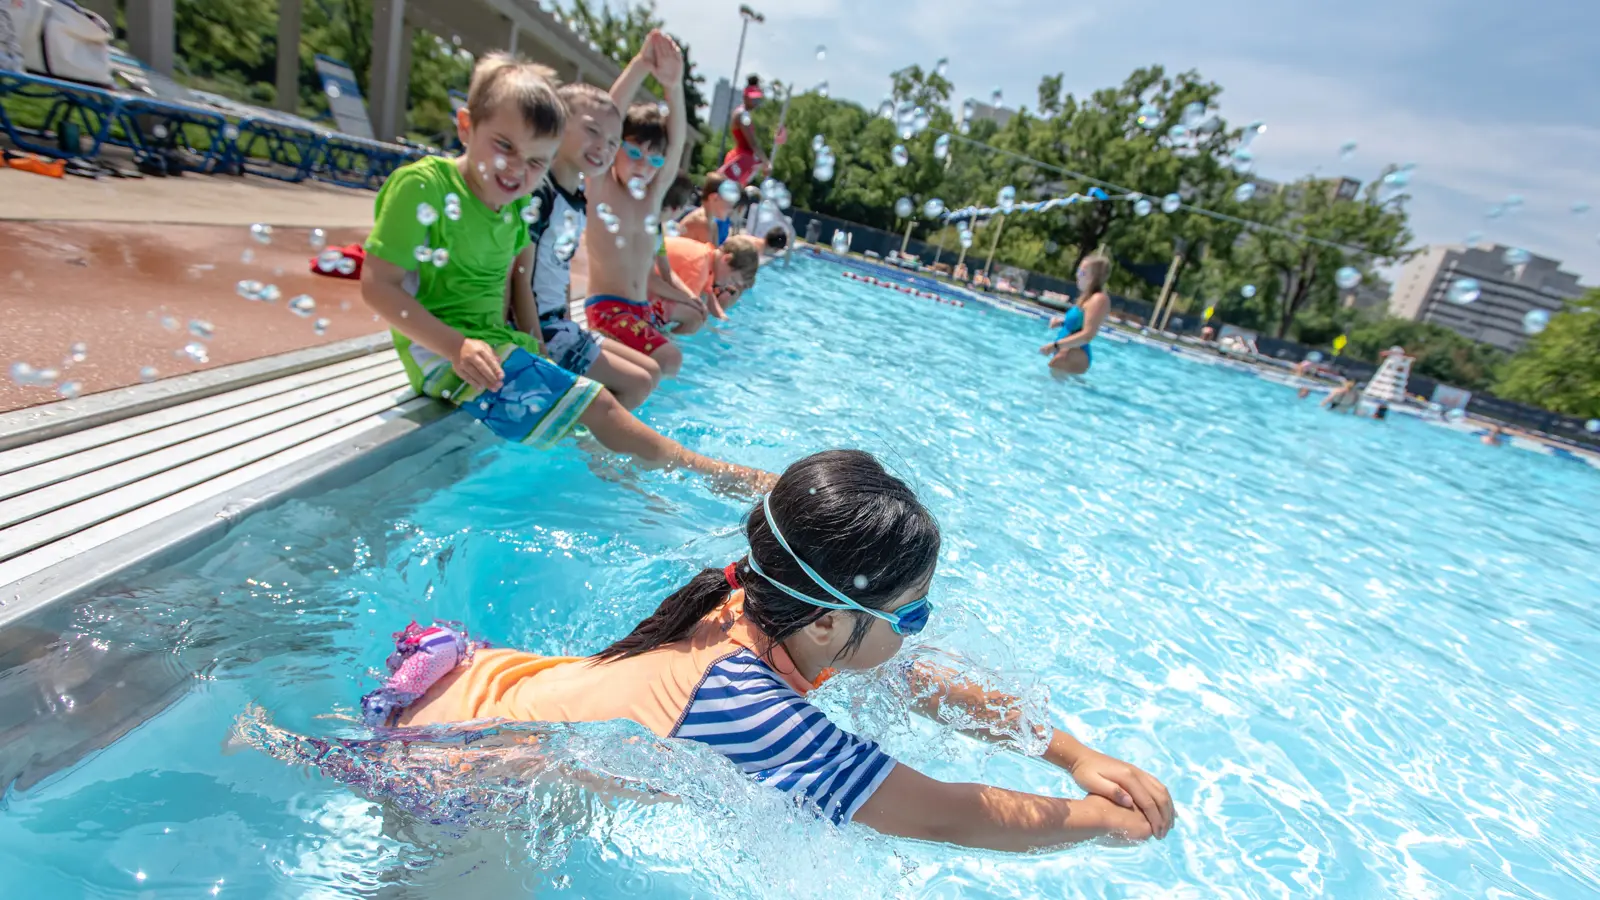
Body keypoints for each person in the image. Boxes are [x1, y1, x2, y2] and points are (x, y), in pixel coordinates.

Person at [298, 451, 1174, 850]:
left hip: (483, 683)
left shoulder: (747, 598)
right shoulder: (746, 708)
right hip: (454, 769)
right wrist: (1105, 824)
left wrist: (1075, 757)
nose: (919, 632)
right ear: (827, 622)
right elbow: (946, 814)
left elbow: (918, 680)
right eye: (910, 614)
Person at [360, 49, 773, 491]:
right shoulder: (426, 186)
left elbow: (513, 282)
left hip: (497, 344)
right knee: (601, 405)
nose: (518, 169)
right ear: (466, 126)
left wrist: (531, 344)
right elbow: (377, 287)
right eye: (504, 146)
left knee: (613, 398)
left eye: (536, 162)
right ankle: (723, 478)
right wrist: (457, 346)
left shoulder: (516, 204)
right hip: (443, 356)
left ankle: (617, 465)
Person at [520, 56, 662, 411]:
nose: (604, 146)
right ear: (559, 125)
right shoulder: (541, 192)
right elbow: (518, 274)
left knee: (651, 372)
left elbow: (561, 267)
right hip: (538, 329)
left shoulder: (578, 199)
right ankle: (579, 434)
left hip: (558, 322)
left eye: (613, 141)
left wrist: (568, 320)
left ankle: (583, 426)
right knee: (638, 383)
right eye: (592, 131)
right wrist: (535, 346)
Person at [581, 33, 692, 379]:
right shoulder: (602, 187)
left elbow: (677, 144)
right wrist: (641, 65)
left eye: (653, 159)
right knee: (669, 359)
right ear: (614, 148)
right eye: (633, 153)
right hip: (607, 309)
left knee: (687, 327)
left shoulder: (652, 197)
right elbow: (609, 117)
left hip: (640, 308)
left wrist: (673, 87)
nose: (643, 165)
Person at [650, 234, 761, 333]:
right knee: (694, 318)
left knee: (697, 311)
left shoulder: (708, 257)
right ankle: (667, 338)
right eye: (732, 279)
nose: (728, 284)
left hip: (651, 279)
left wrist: (722, 317)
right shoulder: (699, 269)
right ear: (726, 259)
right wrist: (712, 329)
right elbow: (691, 305)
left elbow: (709, 293)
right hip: (647, 283)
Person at [1039, 255, 1112, 375]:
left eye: (1082, 272)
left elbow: (1087, 335)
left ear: (1093, 277)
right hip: (1065, 351)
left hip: (1075, 354)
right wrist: (1062, 323)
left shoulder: (1098, 299)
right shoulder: (1087, 298)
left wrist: (1055, 346)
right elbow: (1080, 324)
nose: (1077, 275)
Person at [718, 74, 769, 187]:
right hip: (740, 160)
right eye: (754, 99)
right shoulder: (742, 114)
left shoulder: (742, 113)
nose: (756, 103)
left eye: (757, 99)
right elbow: (753, 144)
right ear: (746, 97)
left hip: (743, 159)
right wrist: (766, 162)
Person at [677, 171, 736, 247]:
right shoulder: (701, 223)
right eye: (727, 202)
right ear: (714, 198)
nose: (731, 208)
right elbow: (711, 254)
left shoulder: (711, 223)